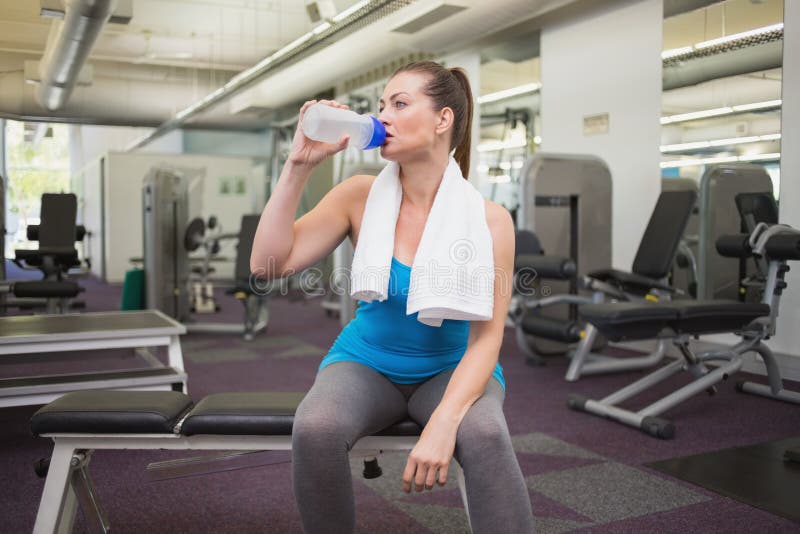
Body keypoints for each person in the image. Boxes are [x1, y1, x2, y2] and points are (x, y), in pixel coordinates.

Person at [250, 60, 534, 533]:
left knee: (484, 432)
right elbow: (267, 266)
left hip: (452, 366)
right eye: (382, 105)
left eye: (399, 104)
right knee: (316, 427)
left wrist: (445, 422)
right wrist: (298, 166)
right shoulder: (359, 196)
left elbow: (488, 340)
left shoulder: (489, 221)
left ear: (443, 120)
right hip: (366, 361)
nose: (383, 116)